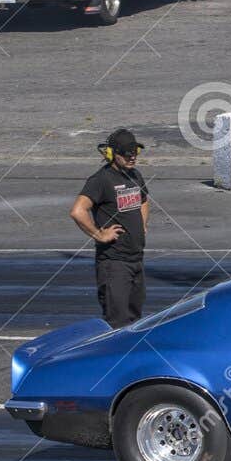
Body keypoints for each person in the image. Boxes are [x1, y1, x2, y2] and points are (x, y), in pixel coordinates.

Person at [70, 128, 148, 328]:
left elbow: (144, 200)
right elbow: (78, 211)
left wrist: (143, 226)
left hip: (136, 260)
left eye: (135, 153)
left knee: (135, 320)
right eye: (126, 154)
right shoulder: (101, 180)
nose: (132, 158)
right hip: (114, 264)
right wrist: (99, 234)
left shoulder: (134, 175)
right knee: (118, 322)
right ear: (112, 154)